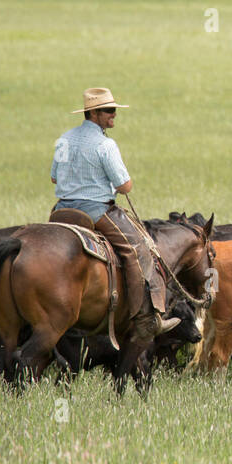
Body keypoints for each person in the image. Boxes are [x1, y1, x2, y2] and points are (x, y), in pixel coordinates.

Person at [51, 88, 179, 338]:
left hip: (61, 211)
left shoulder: (64, 139)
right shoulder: (105, 144)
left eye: (114, 110)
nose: (114, 115)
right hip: (97, 210)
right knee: (138, 248)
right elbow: (125, 186)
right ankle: (145, 317)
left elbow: (54, 178)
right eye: (109, 111)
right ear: (94, 113)